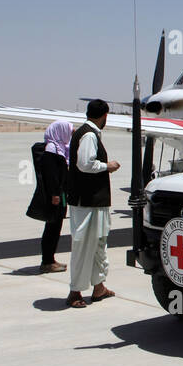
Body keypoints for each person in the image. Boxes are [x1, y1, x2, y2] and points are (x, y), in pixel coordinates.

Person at [65, 100, 120, 308]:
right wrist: (108, 166)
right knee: (83, 245)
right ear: (104, 115)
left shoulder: (89, 133)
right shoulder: (88, 134)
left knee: (98, 244)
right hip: (87, 202)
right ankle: (75, 291)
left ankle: (99, 287)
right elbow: (85, 164)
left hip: (95, 202)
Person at [27, 120, 72, 274]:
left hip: (61, 194)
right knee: (52, 228)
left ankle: (50, 259)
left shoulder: (60, 148)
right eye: (68, 130)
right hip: (56, 197)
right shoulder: (52, 150)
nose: (70, 134)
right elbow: (51, 174)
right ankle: (47, 261)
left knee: (55, 227)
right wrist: (55, 194)